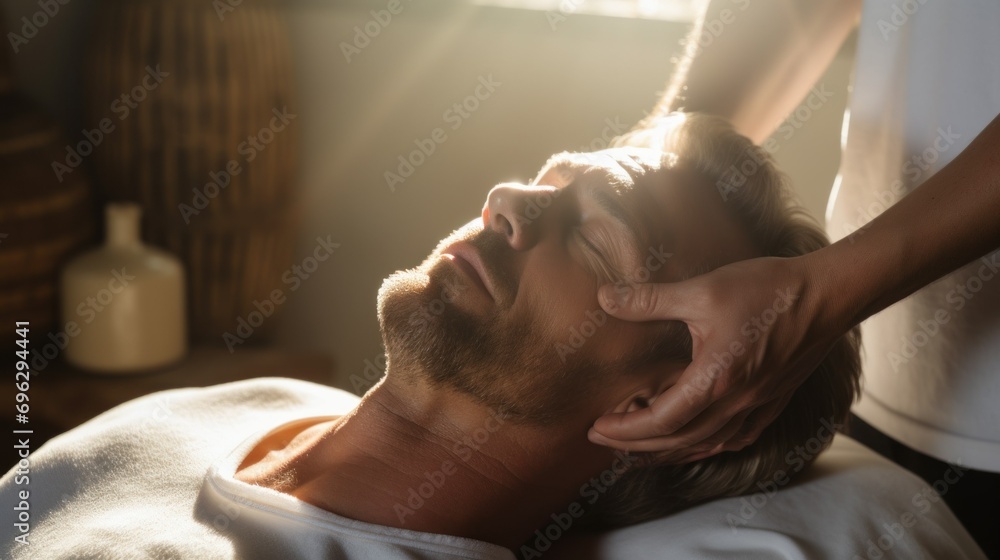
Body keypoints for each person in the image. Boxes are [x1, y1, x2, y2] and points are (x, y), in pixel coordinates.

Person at [0, 114, 878, 559]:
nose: (507, 200)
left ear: (669, 397)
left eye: (595, 231)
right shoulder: (245, 406)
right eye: (545, 180)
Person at [584, 0, 1000, 555]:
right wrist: (640, 175)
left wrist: (819, 294)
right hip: (893, 381)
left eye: (589, 242)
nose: (501, 199)